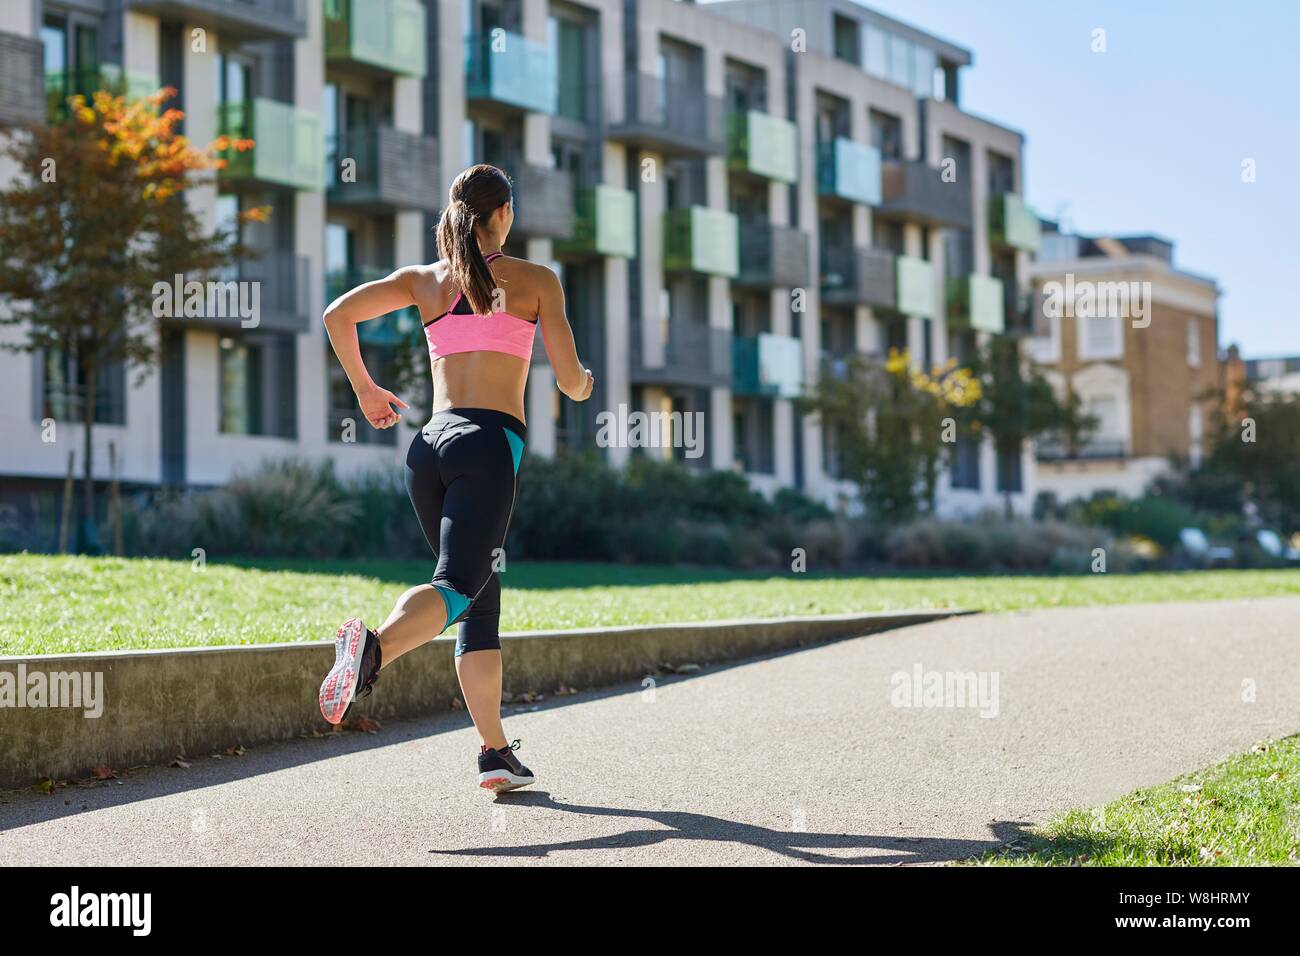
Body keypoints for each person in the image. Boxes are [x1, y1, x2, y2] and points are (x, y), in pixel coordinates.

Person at [317, 164, 594, 792]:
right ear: (503, 216)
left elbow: (338, 313)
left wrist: (365, 392)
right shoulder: (534, 281)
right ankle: (373, 649)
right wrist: (585, 385)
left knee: (477, 600)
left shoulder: (426, 281)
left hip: (430, 449)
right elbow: (572, 379)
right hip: (488, 446)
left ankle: (495, 751)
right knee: (456, 585)